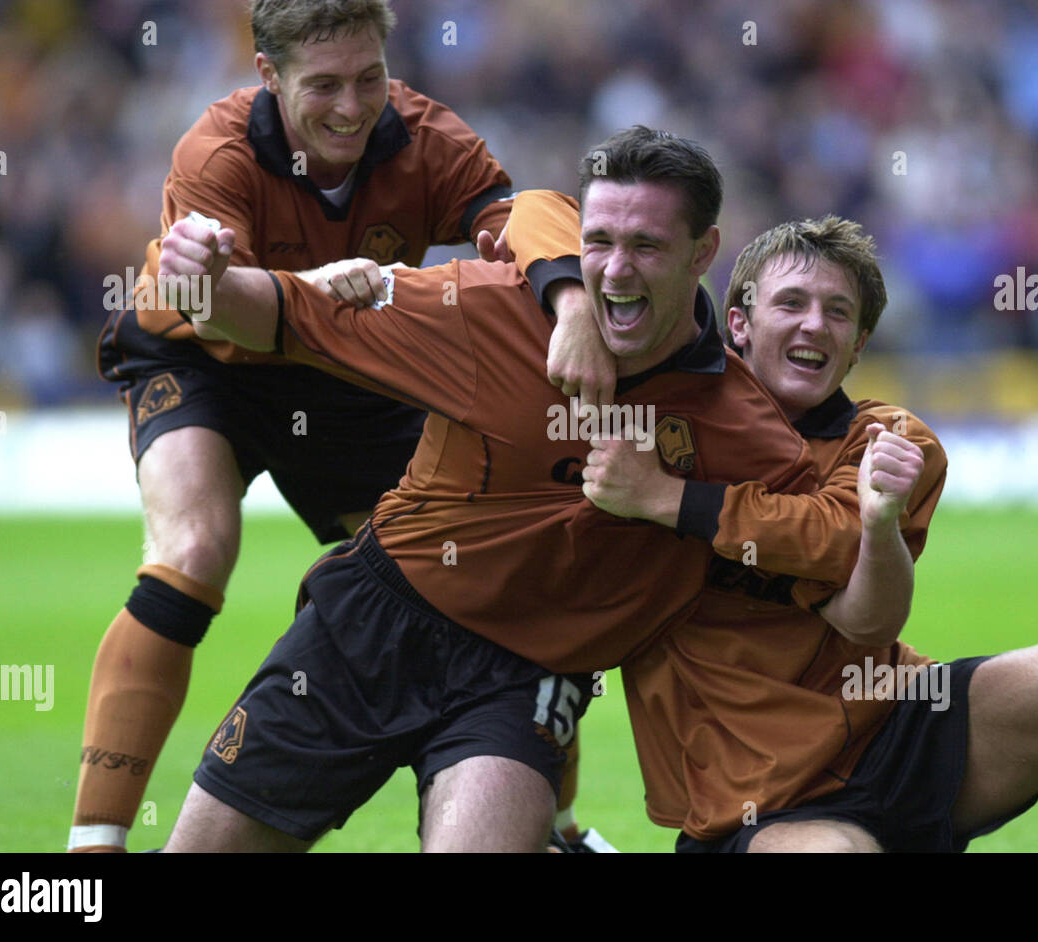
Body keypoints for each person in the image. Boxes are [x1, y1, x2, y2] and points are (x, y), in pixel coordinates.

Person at [159, 127, 868, 851]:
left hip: (521, 681)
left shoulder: (743, 425)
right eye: (600, 242)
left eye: (647, 248)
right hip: (371, 626)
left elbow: (833, 546)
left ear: (704, 253)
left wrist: (673, 500)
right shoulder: (484, 309)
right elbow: (266, 316)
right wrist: (205, 282)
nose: (617, 271)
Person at [74, 0, 607, 854]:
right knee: (193, 553)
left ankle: (558, 830)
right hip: (202, 360)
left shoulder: (428, 138)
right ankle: (93, 851)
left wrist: (566, 289)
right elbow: (213, 311)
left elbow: (527, 214)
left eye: (370, 80)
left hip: (339, 374)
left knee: (475, 575)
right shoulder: (214, 152)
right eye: (323, 85)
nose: (353, 108)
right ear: (267, 75)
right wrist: (301, 280)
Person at [581, 216, 1038, 853]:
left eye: (839, 312)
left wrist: (872, 521)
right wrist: (569, 304)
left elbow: (864, 613)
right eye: (793, 302)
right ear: (741, 324)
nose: (816, 323)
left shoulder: (891, 441)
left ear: (859, 344)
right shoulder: (672, 436)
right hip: (759, 795)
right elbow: (554, 226)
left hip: (898, 726)